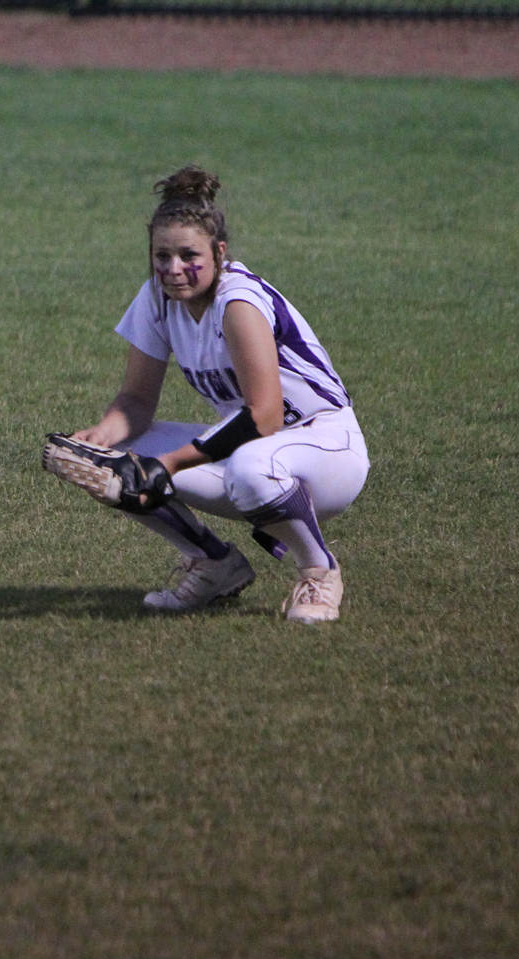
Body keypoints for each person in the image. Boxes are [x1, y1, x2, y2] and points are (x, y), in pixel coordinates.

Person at [71, 166, 369, 623]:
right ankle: (215, 565)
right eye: (162, 255)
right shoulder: (156, 299)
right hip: (252, 453)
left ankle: (319, 571)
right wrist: (100, 437)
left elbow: (264, 417)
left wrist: (169, 463)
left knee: (252, 467)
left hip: (326, 447)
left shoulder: (239, 302)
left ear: (219, 252)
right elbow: (135, 399)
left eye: (188, 254)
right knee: (109, 461)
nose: (173, 269)